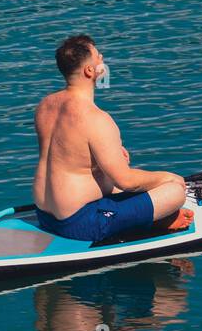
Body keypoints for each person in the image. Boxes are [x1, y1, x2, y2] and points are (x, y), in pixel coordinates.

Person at [33, 34, 193, 244]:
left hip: (45, 216)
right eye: (99, 57)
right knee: (175, 192)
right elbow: (126, 182)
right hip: (79, 223)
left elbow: (68, 156)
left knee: (118, 171)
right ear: (90, 71)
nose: (103, 60)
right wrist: (169, 177)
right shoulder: (96, 118)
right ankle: (153, 223)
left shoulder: (46, 105)